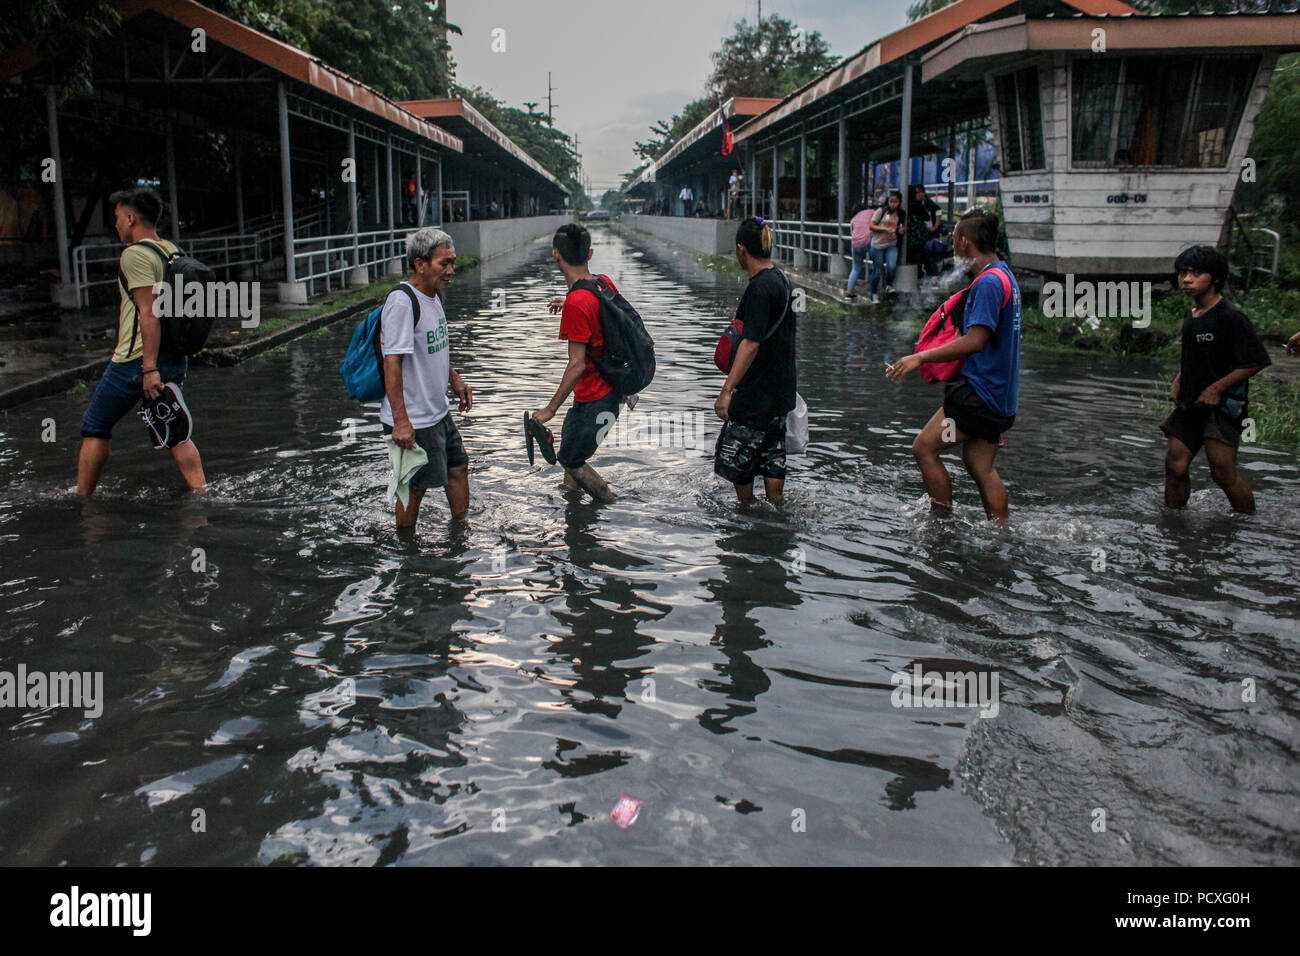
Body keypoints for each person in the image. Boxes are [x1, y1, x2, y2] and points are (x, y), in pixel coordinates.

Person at [885, 209, 1020, 523]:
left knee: (924, 449)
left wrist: (919, 357)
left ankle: (941, 525)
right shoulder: (1005, 275)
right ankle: (1000, 533)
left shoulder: (988, 283)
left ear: (964, 240)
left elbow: (976, 341)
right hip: (1001, 397)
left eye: (954, 240)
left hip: (979, 396)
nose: (953, 248)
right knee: (979, 465)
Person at [77, 186, 205, 496]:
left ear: (131, 218)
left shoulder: (135, 255)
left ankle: (81, 500)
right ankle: (202, 493)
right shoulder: (171, 250)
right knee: (175, 432)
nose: (116, 224)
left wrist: (149, 369)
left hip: (136, 362)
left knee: (95, 425)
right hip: (174, 357)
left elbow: (149, 314)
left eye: (118, 217)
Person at [1160, 245, 1270, 514]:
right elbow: (1194, 355)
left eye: (1196, 273)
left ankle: (1247, 523)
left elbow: (1256, 361)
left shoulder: (1230, 316)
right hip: (1190, 403)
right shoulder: (1193, 315)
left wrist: (1216, 388)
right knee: (1175, 466)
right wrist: (1179, 380)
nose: (1186, 279)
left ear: (1216, 278)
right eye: (1183, 273)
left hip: (1223, 406)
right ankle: (1172, 523)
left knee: (1222, 472)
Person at [380, 227, 473, 527]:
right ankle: (407, 554)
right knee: (414, 488)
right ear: (420, 264)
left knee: (458, 467)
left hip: (438, 411)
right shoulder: (403, 302)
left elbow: (432, 349)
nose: (451, 270)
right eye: (443, 263)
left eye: (452, 262)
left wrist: (454, 379)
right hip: (415, 418)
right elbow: (392, 362)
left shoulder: (434, 297)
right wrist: (401, 421)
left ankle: (461, 531)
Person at [535, 223, 621, 504]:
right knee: (570, 456)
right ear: (590, 254)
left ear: (555, 256)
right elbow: (597, 311)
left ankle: (612, 505)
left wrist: (550, 408)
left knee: (570, 459)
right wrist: (571, 299)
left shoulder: (578, 303)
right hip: (607, 392)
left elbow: (577, 365)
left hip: (596, 398)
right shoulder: (603, 284)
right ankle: (572, 518)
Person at [714, 217, 797, 504]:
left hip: (756, 395)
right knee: (773, 454)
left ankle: (747, 514)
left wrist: (727, 390)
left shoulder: (759, 288)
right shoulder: (782, 280)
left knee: (738, 459)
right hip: (781, 393)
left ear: (741, 249)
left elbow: (750, 344)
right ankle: (776, 508)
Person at [868, 190, 905, 304]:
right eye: (891, 201)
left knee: (892, 266)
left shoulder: (901, 214)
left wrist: (901, 231)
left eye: (896, 202)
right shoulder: (881, 211)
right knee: (878, 270)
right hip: (877, 244)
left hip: (891, 244)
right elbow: (871, 225)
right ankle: (873, 293)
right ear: (888, 201)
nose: (893, 204)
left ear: (899, 203)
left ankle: (888, 285)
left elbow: (901, 227)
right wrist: (884, 229)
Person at [908, 184, 942, 277]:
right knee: (921, 256)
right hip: (916, 236)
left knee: (927, 256)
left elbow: (936, 211)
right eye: (917, 193)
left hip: (923, 235)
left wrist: (935, 226)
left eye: (919, 192)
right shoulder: (913, 204)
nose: (919, 194)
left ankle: (931, 274)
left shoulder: (926, 203)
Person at [845, 202, 872, 301]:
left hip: (856, 245)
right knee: (877, 264)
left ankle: (849, 292)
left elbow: (852, 232)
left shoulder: (853, 219)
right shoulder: (870, 212)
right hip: (869, 242)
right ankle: (874, 290)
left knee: (855, 268)